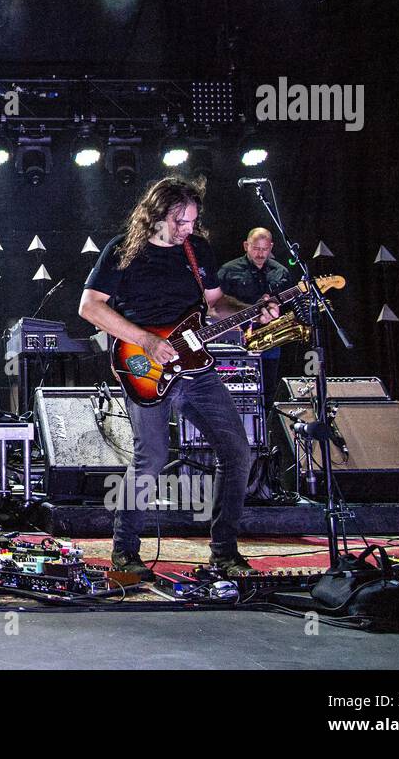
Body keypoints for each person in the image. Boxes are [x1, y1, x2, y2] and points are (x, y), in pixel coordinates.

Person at [79, 178, 280, 581]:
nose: (189, 228)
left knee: (238, 451)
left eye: (193, 220)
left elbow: (216, 303)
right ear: (157, 214)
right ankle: (125, 552)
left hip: (197, 369)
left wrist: (252, 310)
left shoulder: (197, 250)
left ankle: (224, 551)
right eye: (181, 220)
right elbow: (89, 307)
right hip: (143, 365)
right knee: (150, 458)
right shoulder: (123, 251)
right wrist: (145, 341)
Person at [218, 227, 293, 413]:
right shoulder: (228, 271)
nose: (260, 254)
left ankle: (266, 434)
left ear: (271, 247)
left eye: (265, 249)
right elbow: (216, 305)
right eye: (256, 248)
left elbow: (290, 308)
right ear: (246, 246)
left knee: (268, 390)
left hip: (269, 341)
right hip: (237, 341)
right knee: (232, 391)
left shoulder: (281, 272)